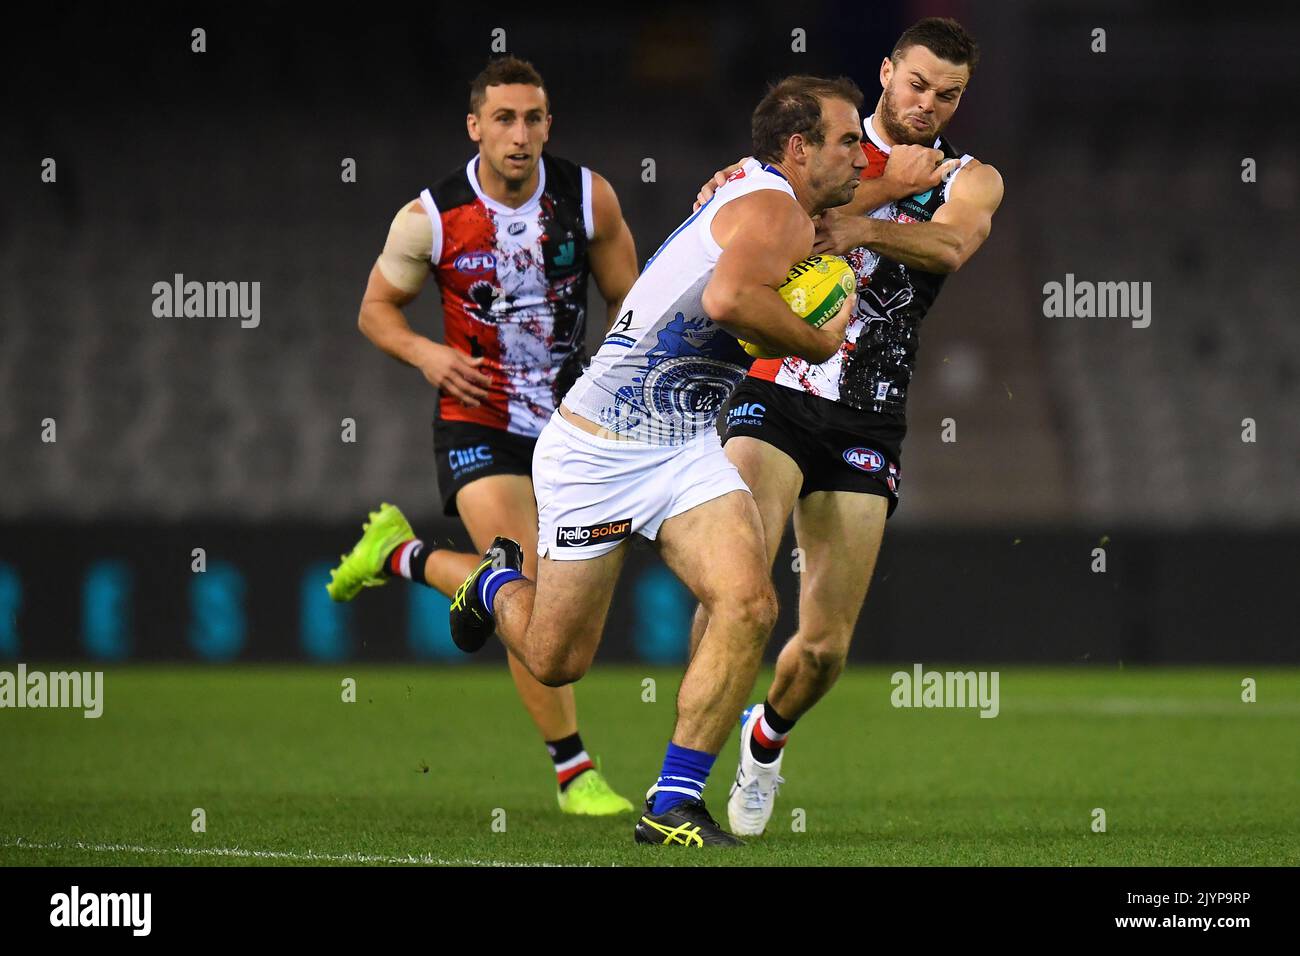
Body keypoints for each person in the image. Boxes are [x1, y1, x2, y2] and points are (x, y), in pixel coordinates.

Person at [449, 75, 867, 846]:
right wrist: (822, 336)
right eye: (847, 141)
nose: (862, 155)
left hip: (681, 448)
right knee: (554, 660)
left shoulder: (760, 187)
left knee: (747, 605)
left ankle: (671, 802)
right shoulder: (776, 209)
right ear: (800, 148)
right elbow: (729, 301)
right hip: (597, 453)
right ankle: (493, 583)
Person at [694, 17, 1004, 836]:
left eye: (948, 94)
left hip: (869, 412)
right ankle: (684, 772)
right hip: (776, 384)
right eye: (916, 84)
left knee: (824, 649)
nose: (928, 103)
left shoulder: (972, 176)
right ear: (886, 72)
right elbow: (748, 201)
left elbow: (954, 245)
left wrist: (868, 225)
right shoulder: (823, 146)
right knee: (739, 584)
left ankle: (764, 741)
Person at [325, 56, 640, 816]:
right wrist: (429, 354)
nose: (520, 133)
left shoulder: (587, 199)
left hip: (573, 431)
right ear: (475, 127)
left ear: (548, 125)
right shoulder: (429, 218)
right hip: (481, 426)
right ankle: (574, 772)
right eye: (504, 118)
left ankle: (400, 554)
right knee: (525, 584)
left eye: (533, 118)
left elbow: (631, 304)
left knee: (561, 617)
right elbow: (375, 311)